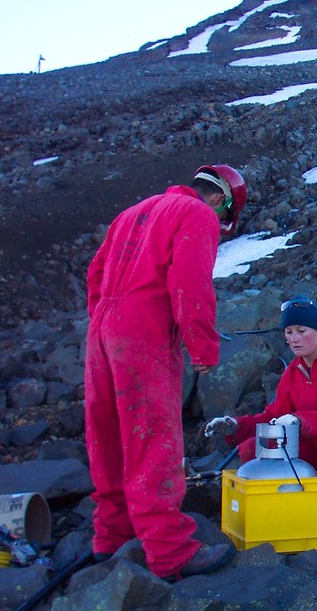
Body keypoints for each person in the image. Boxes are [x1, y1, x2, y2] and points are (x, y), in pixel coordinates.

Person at [84, 164, 247, 581]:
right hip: (144, 331)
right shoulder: (196, 215)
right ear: (219, 199)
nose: (220, 224)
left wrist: (104, 325)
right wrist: (202, 345)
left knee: (108, 432)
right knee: (153, 436)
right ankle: (169, 550)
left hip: (103, 327)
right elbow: (190, 283)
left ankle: (111, 536)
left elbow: (95, 274)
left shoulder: (133, 211)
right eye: (224, 218)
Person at [205, 297, 317, 540]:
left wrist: (301, 422)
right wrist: (234, 426)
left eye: (301, 331)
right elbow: (272, 416)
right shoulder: (292, 372)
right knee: (252, 450)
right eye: (289, 332)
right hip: (314, 451)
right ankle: (286, 513)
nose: (294, 338)